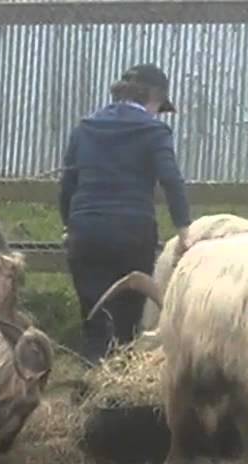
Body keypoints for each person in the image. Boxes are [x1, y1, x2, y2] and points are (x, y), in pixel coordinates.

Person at [59, 63, 192, 364]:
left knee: (93, 316)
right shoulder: (154, 129)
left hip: (87, 230)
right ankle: (120, 386)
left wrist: (70, 225)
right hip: (133, 232)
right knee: (127, 322)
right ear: (155, 98)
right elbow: (170, 178)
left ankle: (92, 380)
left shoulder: (85, 127)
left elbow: (68, 183)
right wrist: (184, 231)